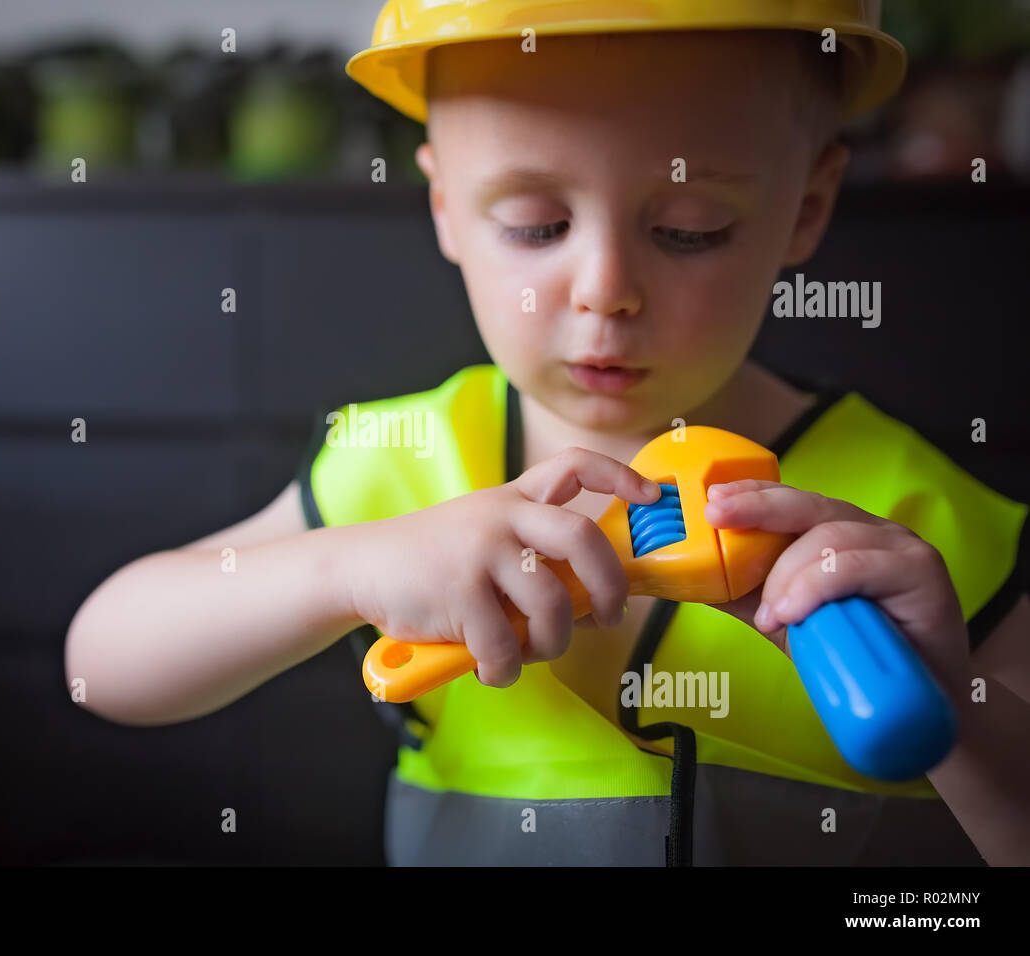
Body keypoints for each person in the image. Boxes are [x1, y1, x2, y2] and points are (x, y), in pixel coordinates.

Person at [64, 1, 1030, 865]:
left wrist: (961, 717)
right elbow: (99, 663)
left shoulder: (909, 523)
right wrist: (344, 569)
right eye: (533, 224)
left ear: (805, 211)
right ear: (446, 205)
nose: (605, 289)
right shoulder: (401, 463)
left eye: (690, 229)